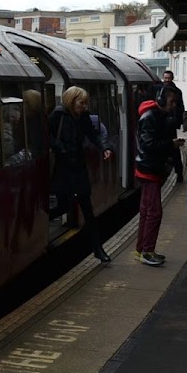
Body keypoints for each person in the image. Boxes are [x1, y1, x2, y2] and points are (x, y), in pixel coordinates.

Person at [48, 86, 114, 263]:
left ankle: (98, 249)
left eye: (86, 103)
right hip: (63, 167)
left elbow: (93, 134)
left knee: (88, 210)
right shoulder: (58, 115)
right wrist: (59, 148)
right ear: (71, 100)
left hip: (78, 167)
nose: (84, 107)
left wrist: (104, 148)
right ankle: (42, 227)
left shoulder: (82, 117)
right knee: (63, 206)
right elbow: (46, 136)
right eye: (81, 103)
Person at [134, 94, 174, 266]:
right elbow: (148, 144)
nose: (174, 105)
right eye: (172, 101)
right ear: (163, 101)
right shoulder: (151, 117)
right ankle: (147, 251)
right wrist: (171, 144)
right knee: (154, 213)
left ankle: (141, 248)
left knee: (146, 211)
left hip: (148, 169)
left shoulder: (154, 115)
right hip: (149, 170)